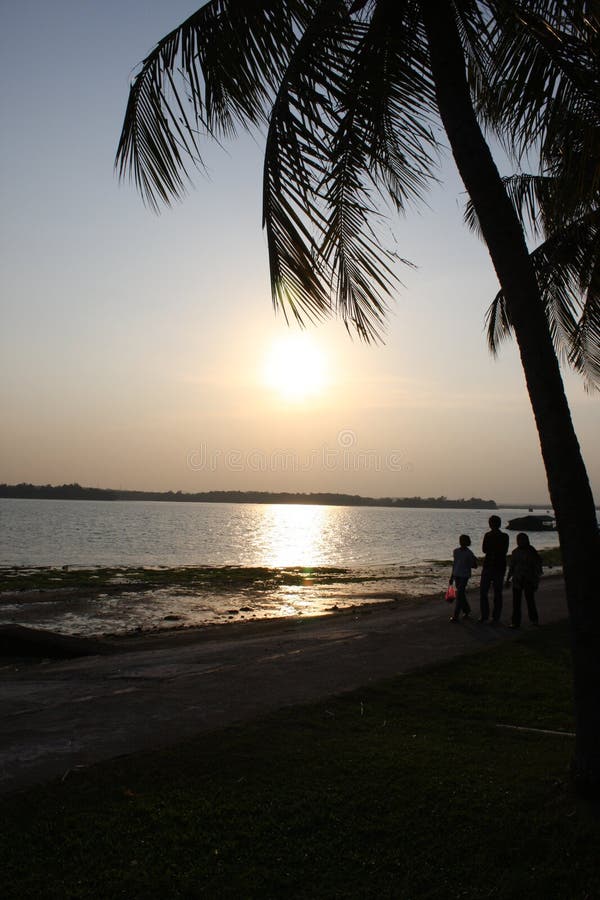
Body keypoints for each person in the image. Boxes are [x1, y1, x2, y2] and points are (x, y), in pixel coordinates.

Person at [506, 532, 543, 628]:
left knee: (530, 600)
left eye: (522, 540)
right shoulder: (515, 552)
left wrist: (536, 581)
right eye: (518, 540)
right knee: (516, 603)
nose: (520, 542)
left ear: (526, 540)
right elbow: (512, 567)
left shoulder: (531, 551)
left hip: (529, 579)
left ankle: (534, 620)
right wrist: (507, 579)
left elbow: (537, 567)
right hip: (517, 579)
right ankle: (515, 622)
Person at [479, 515, 509, 624]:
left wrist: (492, 549)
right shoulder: (491, 535)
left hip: (497, 566)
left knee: (496, 592)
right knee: (485, 592)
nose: (491, 525)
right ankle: (486, 615)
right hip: (490, 565)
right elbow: (485, 549)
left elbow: (500, 550)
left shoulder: (502, 536)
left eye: (492, 523)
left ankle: (493, 616)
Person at [449, 534, 478, 622]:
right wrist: (452, 577)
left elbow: (475, 565)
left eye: (463, 540)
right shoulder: (456, 551)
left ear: (467, 542)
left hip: (464, 576)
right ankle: (466, 610)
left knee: (459, 594)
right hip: (457, 575)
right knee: (461, 595)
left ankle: (455, 616)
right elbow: (454, 564)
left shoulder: (469, 553)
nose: (461, 542)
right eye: (461, 540)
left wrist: (471, 563)